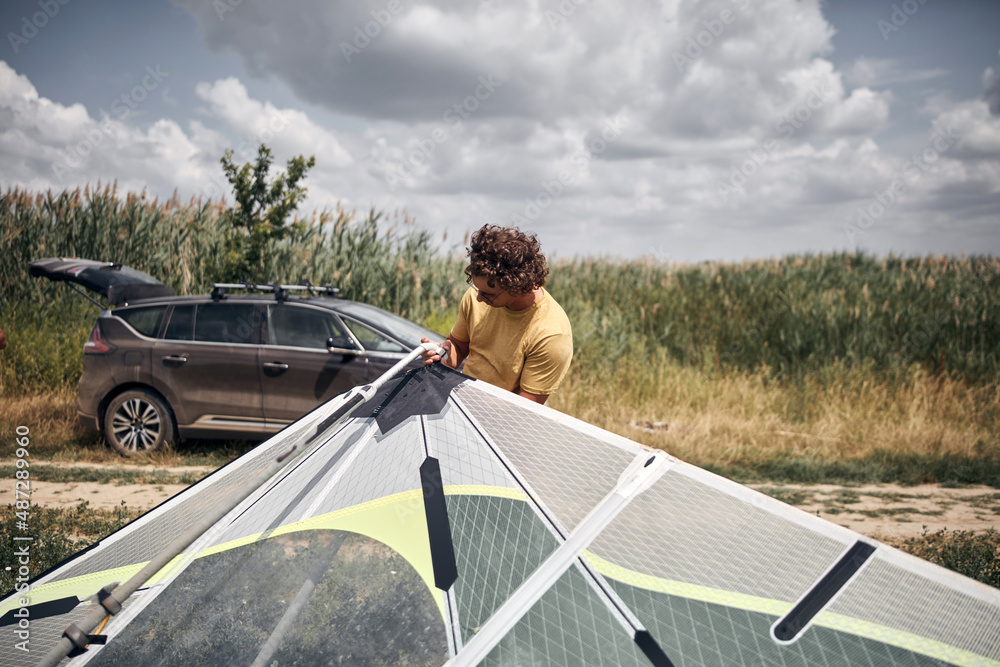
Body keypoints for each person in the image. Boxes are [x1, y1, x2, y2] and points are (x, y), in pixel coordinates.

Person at [422, 224, 572, 405]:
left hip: (504, 421)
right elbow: (458, 347)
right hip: (463, 403)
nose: (478, 298)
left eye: (488, 294)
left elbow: (524, 410)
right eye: (476, 288)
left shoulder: (551, 335)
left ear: (517, 285)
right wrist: (440, 356)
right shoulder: (477, 295)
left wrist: (477, 405)